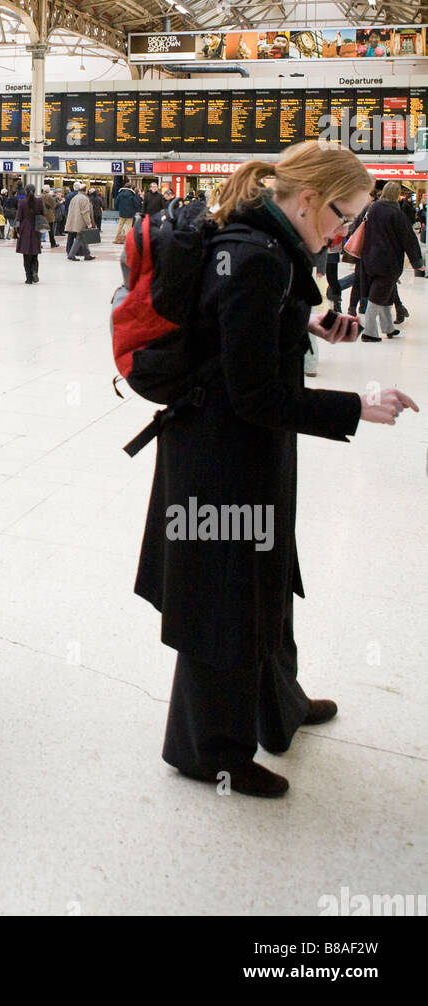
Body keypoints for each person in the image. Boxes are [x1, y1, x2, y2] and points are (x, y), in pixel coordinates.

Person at [135, 142, 419, 799]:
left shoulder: (261, 242)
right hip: (222, 457)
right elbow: (253, 394)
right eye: (343, 216)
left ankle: (274, 706)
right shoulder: (258, 258)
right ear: (306, 200)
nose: (344, 232)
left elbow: (237, 324)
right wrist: (357, 406)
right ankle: (208, 751)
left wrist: (311, 322)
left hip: (236, 450)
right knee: (223, 600)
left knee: (261, 581)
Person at [359, 181, 424, 341]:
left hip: (369, 258)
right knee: (377, 296)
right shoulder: (396, 214)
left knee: (384, 292)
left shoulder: (372, 208)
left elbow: (357, 227)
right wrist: (418, 263)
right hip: (388, 261)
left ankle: (388, 327)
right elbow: (409, 240)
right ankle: (369, 332)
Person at [16, 185, 42, 284]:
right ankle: (35, 271)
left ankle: (29, 278)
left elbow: (19, 217)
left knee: (26, 255)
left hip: (25, 228)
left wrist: (17, 231)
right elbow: (42, 214)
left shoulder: (22, 202)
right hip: (36, 228)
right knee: (35, 254)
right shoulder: (39, 201)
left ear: (25, 191)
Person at [64, 182, 95, 261]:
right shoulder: (84, 199)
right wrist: (89, 223)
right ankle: (71, 255)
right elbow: (85, 212)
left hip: (74, 221)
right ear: (85, 190)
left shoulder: (75, 198)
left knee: (82, 238)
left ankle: (87, 255)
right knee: (79, 238)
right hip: (81, 222)